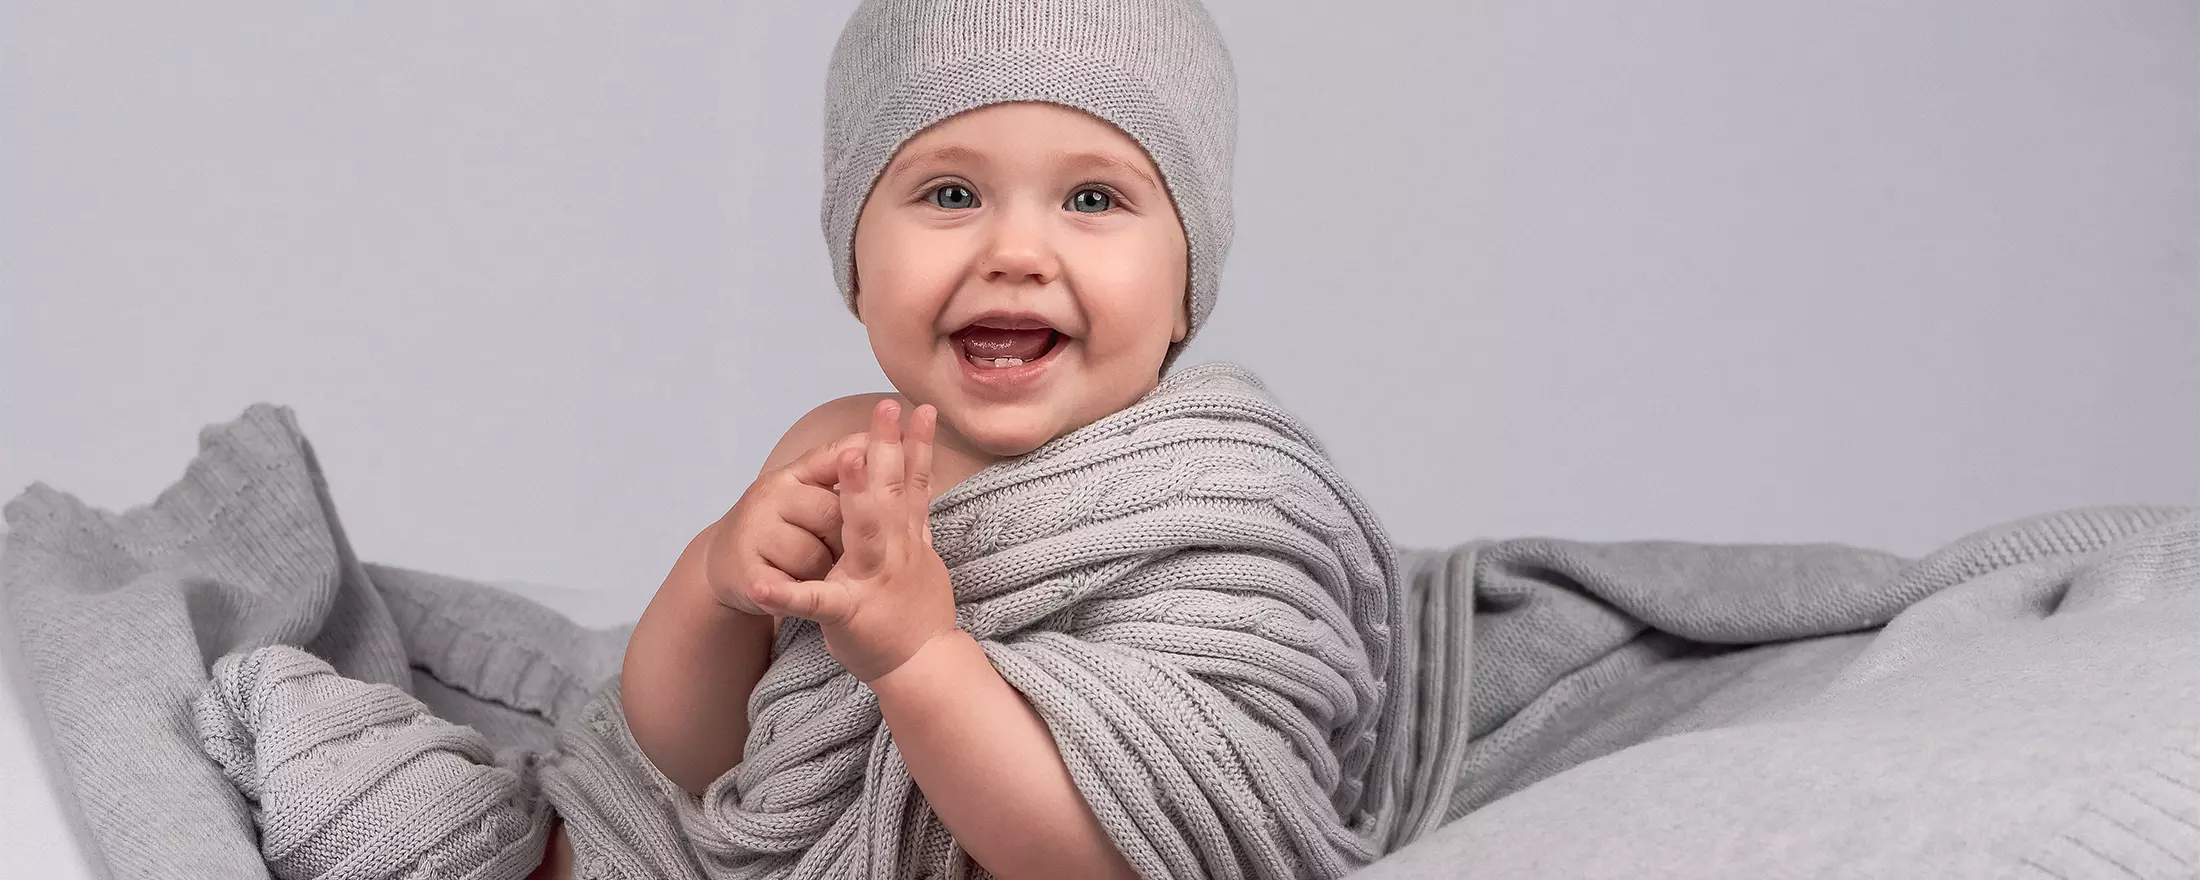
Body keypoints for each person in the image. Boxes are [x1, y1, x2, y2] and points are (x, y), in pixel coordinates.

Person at [536, 1, 1368, 877]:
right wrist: (717, 588)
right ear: (857, 260)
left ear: (1186, 275)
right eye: (952, 194)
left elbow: (1143, 846)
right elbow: (704, 764)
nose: (1015, 252)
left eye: (1093, 198)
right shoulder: (842, 450)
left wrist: (922, 659)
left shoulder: (1219, 501)